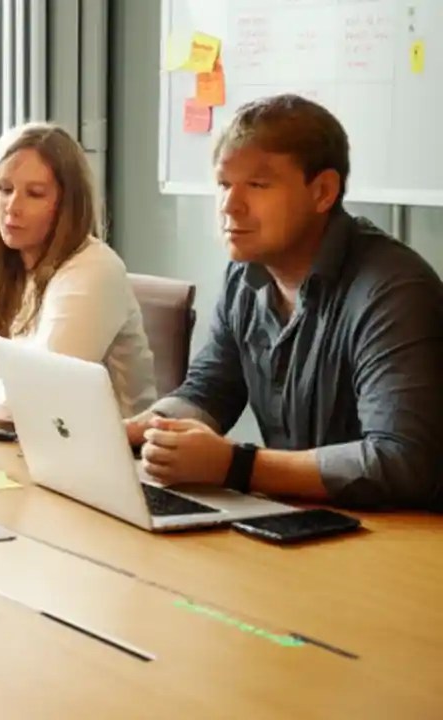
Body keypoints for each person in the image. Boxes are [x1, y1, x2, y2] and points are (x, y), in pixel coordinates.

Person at [129, 94, 443, 511]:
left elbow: (402, 463)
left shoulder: (393, 291)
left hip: (400, 542)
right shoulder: (245, 275)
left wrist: (237, 466)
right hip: (304, 523)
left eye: (257, 185)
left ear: (323, 191)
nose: (229, 206)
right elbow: (210, 391)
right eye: (224, 184)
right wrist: (139, 430)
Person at [0, 123, 155, 420]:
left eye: (34, 194)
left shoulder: (96, 270)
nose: (12, 207)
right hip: (21, 443)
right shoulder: (3, 267)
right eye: (4, 189)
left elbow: (40, 398)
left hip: (111, 454)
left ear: (67, 204)